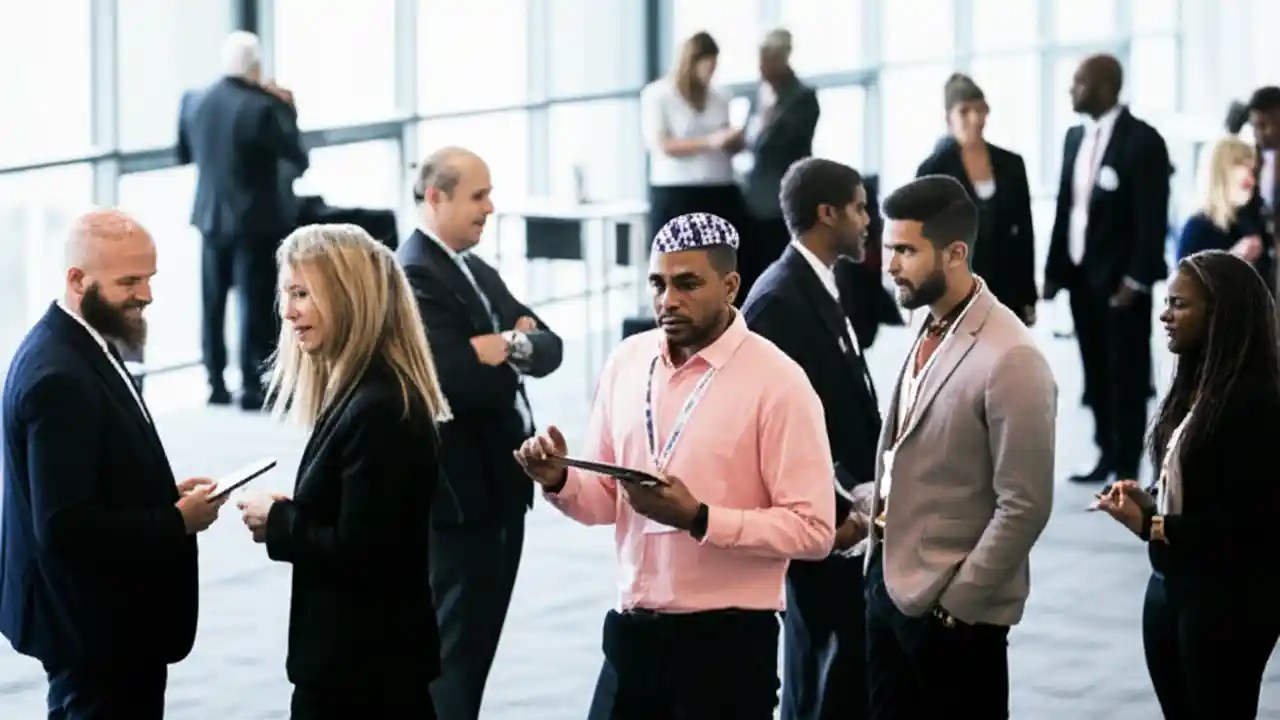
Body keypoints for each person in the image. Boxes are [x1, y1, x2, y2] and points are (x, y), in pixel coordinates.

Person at [514, 212, 836, 718]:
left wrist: (700, 517)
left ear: (730, 285)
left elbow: (815, 530)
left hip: (727, 646)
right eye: (658, 284)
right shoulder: (627, 362)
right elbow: (603, 501)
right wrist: (558, 478)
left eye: (687, 284)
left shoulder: (779, 383)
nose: (668, 300)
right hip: (632, 634)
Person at [0, 209, 227, 719]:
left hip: (101, 622)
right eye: (129, 280)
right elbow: (65, 524)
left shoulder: (83, 339)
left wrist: (159, 491)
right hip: (93, 628)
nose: (145, 294)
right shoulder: (59, 377)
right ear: (77, 280)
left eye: (149, 278)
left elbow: (85, 471)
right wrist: (176, 520)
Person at [235, 223, 451, 718]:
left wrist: (280, 522)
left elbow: (363, 552)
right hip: (363, 662)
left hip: (364, 672)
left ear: (348, 297)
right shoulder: (366, 391)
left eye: (301, 294)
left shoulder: (380, 407)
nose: (287, 312)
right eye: (287, 295)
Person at [866, 176, 1056, 719]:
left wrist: (956, 608)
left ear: (955, 253)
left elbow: (1024, 505)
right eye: (888, 248)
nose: (890, 264)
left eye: (905, 250)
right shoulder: (928, 325)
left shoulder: (1012, 356)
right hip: (887, 591)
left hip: (953, 618)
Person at [398, 147, 563, 720]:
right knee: (454, 657)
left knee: (476, 649)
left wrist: (507, 345)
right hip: (460, 498)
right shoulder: (415, 272)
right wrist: (504, 348)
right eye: (478, 196)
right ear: (436, 197)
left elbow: (550, 346)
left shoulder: (474, 269)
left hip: (498, 490)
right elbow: (456, 381)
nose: (490, 208)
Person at [1094, 250, 1280, 719]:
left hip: (1227, 599)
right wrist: (1152, 503)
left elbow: (1252, 520)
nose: (1164, 314)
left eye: (1180, 305)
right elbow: (1200, 491)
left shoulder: (1257, 402)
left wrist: (1156, 526)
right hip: (1171, 585)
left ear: (1220, 315)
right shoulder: (1196, 386)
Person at [741, 158, 879, 720]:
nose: (868, 221)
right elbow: (774, 430)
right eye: (860, 207)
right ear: (827, 213)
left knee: (839, 669)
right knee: (816, 673)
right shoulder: (778, 299)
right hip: (823, 524)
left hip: (847, 520)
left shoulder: (818, 281)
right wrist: (837, 515)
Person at [1043, 53, 1171, 486]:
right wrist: (1054, 272)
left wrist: (1136, 280)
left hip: (1121, 284)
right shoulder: (1073, 139)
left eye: (1079, 83)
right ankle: (1105, 451)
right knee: (1094, 369)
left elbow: (1152, 218)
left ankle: (1128, 465)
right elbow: (1067, 208)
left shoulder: (1143, 142)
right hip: (1083, 279)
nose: (1071, 91)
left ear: (1105, 87)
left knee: (1127, 374)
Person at [177, 30, 309, 409]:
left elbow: (184, 153)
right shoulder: (263, 107)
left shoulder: (194, 101)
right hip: (254, 221)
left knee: (213, 301)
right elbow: (298, 159)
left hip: (209, 216)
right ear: (256, 66)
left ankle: (215, 381)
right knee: (253, 301)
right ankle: (252, 385)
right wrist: (288, 109)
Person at [916, 72, 1037, 325]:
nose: (975, 119)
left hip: (1007, 291)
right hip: (958, 293)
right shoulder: (933, 170)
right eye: (965, 111)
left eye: (980, 110)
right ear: (948, 118)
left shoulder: (1012, 164)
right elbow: (924, 241)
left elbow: (1025, 233)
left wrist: (1029, 295)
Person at [640, 32, 748, 278]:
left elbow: (728, 139)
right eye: (707, 65)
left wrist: (733, 141)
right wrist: (711, 141)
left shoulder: (721, 96)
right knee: (676, 265)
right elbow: (662, 144)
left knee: (723, 262)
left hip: (719, 187)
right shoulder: (658, 95)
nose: (711, 73)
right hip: (677, 190)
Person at [739, 28, 820, 306]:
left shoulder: (803, 98)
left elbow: (779, 144)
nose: (761, 67)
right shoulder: (758, 96)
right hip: (753, 198)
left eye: (767, 59)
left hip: (780, 199)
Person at [1175, 137, 1266, 280]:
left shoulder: (1257, 223)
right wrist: (1233, 259)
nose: (1251, 176)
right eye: (1242, 164)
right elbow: (1184, 288)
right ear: (1222, 172)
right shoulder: (1198, 228)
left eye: (1253, 169)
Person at [1240, 86, 1280, 291]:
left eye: (1264, 126)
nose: (1258, 134)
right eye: (1255, 127)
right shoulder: (1254, 159)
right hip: (1266, 266)